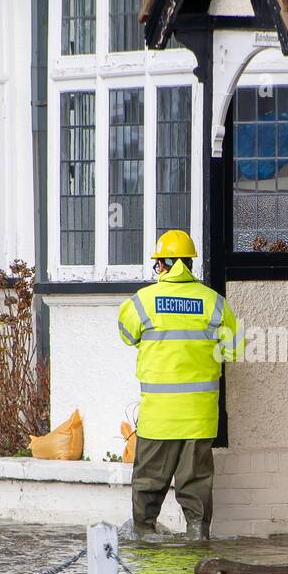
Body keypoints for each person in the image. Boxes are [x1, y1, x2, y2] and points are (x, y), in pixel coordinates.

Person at [117, 230, 242, 539]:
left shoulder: (143, 302)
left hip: (160, 417)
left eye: (158, 264)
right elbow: (233, 350)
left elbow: (126, 334)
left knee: (148, 483)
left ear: (165, 264)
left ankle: (145, 535)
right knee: (196, 484)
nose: (156, 270)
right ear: (188, 263)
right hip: (199, 418)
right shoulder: (215, 303)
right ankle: (198, 538)